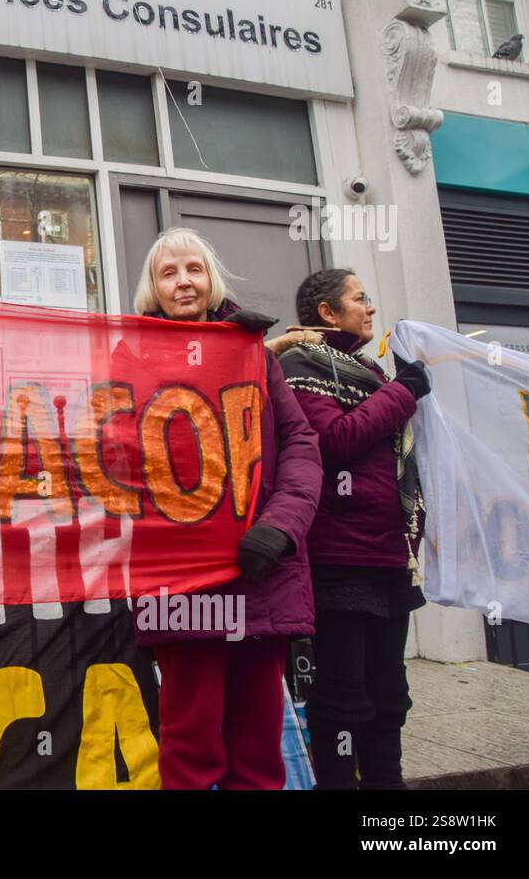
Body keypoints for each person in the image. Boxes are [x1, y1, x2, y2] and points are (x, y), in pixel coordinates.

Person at [131, 228, 322, 789]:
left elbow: (303, 449)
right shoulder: (130, 357)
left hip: (261, 575)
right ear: (153, 289)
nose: (183, 281)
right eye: (168, 272)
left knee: (258, 751)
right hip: (179, 583)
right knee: (190, 747)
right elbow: (114, 454)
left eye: (193, 268)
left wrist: (280, 529)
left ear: (211, 279)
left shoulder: (254, 357)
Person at [273, 268, 428, 789]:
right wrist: (405, 392)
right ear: (327, 313)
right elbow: (334, 441)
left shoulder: (369, 372)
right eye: (360, 298)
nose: (371, 308)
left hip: (388, 559)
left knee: (389, 697)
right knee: (343, 703)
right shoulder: (299, 364)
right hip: (338, 564)